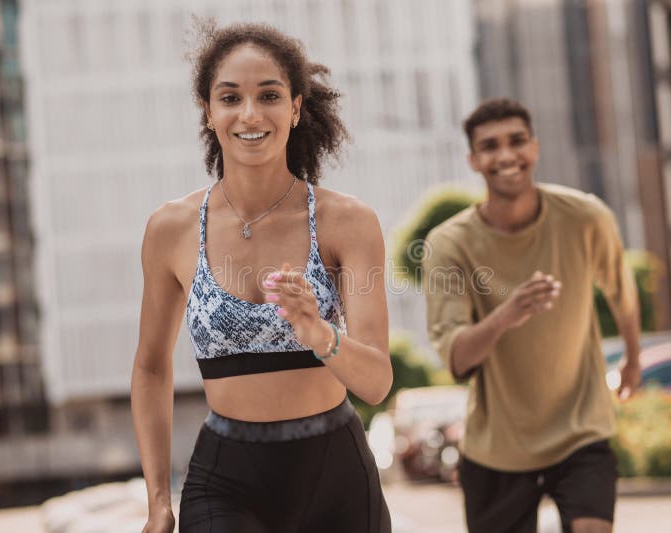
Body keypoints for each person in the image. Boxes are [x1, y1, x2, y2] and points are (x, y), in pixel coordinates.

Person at [131, 21, 393, 533]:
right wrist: (158, 500)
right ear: (209, 111)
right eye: (230, 98)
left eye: (268, 95)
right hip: (225, 479)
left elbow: (378, 381)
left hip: (335, 476)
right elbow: (151, 368)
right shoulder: (171, 229)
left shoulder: (347, 222)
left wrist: (321, 333)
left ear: (295, 107)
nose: (249, 114)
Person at [423, 98, 641, 533]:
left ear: (535, 148)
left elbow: (622, 290)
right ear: (473, 160)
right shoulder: (448, 244)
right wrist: (508, 314)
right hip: (497, 449)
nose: (506, 155)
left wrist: (633, 361)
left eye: (517, 141)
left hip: (581, 430)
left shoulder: (586, 217)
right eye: (490, 146)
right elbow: (458, 358)